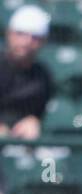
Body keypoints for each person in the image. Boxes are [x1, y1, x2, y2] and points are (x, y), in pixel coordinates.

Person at [0, 6, 53, 141]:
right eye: (20, 34)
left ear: (43, 41)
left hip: (24, 143)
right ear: (8, 34)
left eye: (35, 37)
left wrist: (34, 121)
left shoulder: (43, 76)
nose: (26, 42)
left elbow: (40, 112)